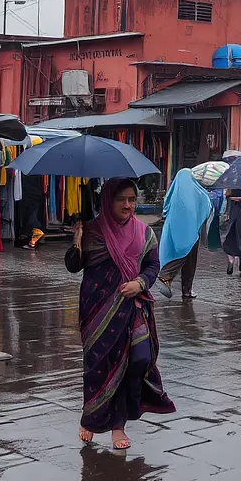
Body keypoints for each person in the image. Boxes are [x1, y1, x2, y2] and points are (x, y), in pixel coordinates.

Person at [65, 178, 174, 450]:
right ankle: (91, 418)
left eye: (132, 199)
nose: (128, 205)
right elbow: (74, 266)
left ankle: (118, 424)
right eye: (121, 199)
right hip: (97, 310)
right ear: (107, 200)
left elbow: (153, 265)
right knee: (98, 366)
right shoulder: (92, 231)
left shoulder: (144, 233)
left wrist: (140, 283)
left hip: (132, 308)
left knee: (138, 360)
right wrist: (76, 242)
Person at [157, 169, 213, 300]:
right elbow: (207, 206)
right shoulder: (198, 192)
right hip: (191, 232)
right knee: (189, 259)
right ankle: (175, 282)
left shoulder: (173, 193)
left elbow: (165, 208)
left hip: (173, 230)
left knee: (177, 254)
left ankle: (172, 280)